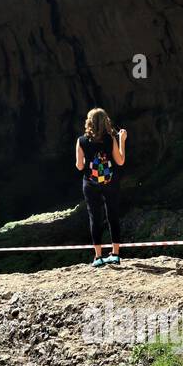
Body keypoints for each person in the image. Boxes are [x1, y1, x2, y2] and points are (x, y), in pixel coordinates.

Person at [75, 107, 128, 267]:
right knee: (112, 216)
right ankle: (115, 254)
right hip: (110, 182)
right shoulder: (110, 139)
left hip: (90, 183)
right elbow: (120, 161)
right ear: (105, 121)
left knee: (94, 218)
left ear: (89, 122)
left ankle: (98, 257)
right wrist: (122, 141)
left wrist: (88, 163)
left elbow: (79, 166)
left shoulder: (81, 140)